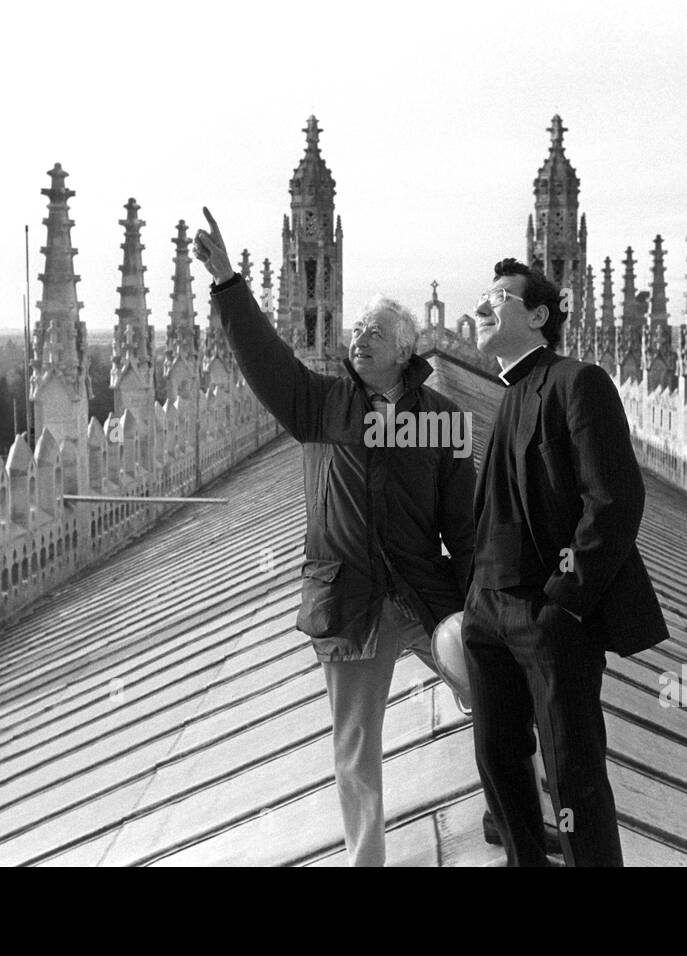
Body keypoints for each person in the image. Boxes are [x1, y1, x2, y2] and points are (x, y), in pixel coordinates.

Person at [195, 208, 475, 867]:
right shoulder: (322, 404)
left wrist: (476, 605)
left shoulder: (444, 419)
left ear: (403, 351)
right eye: (358, 331)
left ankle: (513, 813)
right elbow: (266, 361)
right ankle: (366, 860)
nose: (359, 340)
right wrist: (229, 281)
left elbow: (463, 524)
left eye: (374, 333)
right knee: (356, 743)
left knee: (496, 689)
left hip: (421, 590)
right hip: (350, 596)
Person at [463, 257, 670, 867]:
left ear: (537, 316)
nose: (480, 306)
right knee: (499, 763)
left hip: (544, 615)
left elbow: (615, 499)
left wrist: (563, 603)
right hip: (488, 614)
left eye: (497, 297)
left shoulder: (576, 382)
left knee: (572, 779)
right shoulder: (507, 395)